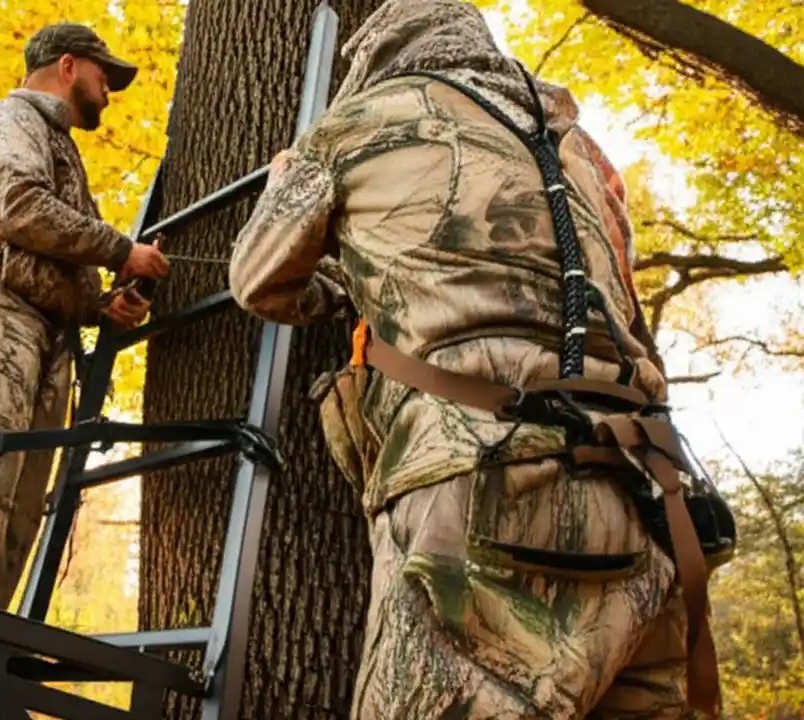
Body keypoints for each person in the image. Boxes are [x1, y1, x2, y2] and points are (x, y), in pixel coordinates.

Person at [227, 1, 728, 717]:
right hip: (649, 497)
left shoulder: (358, 121)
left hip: (483, 488)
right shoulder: (580, 152)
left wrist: (301, 207)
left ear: (378, 55)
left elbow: (256, 278)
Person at [0, 22, 168, 719]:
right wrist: (121, 249)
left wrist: (103, 304)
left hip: (43, 340)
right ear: (67, 64)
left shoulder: (62, 150)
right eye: (103, 72)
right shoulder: (9, 118)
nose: (108, 86)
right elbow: (14, 205)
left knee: (16, 518)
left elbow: (50, 259)